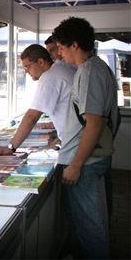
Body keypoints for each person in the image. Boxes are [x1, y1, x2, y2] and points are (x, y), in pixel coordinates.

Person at [52, 16, 118, 260]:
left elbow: (94, 123)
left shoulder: (89, 72)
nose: (58, 54)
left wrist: (76, 164)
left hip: (85, 162)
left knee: (90, 224)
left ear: (75, 45)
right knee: (85, 221)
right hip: (88, 157)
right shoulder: (97, 67)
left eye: (60, 47)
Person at [0, 44, 75, 155]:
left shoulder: (49, 77)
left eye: (28, 66)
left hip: (76, 145)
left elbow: (32, 116)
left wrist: (11, 147)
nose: (26, 71)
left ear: (41, 62)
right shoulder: (61, 68)